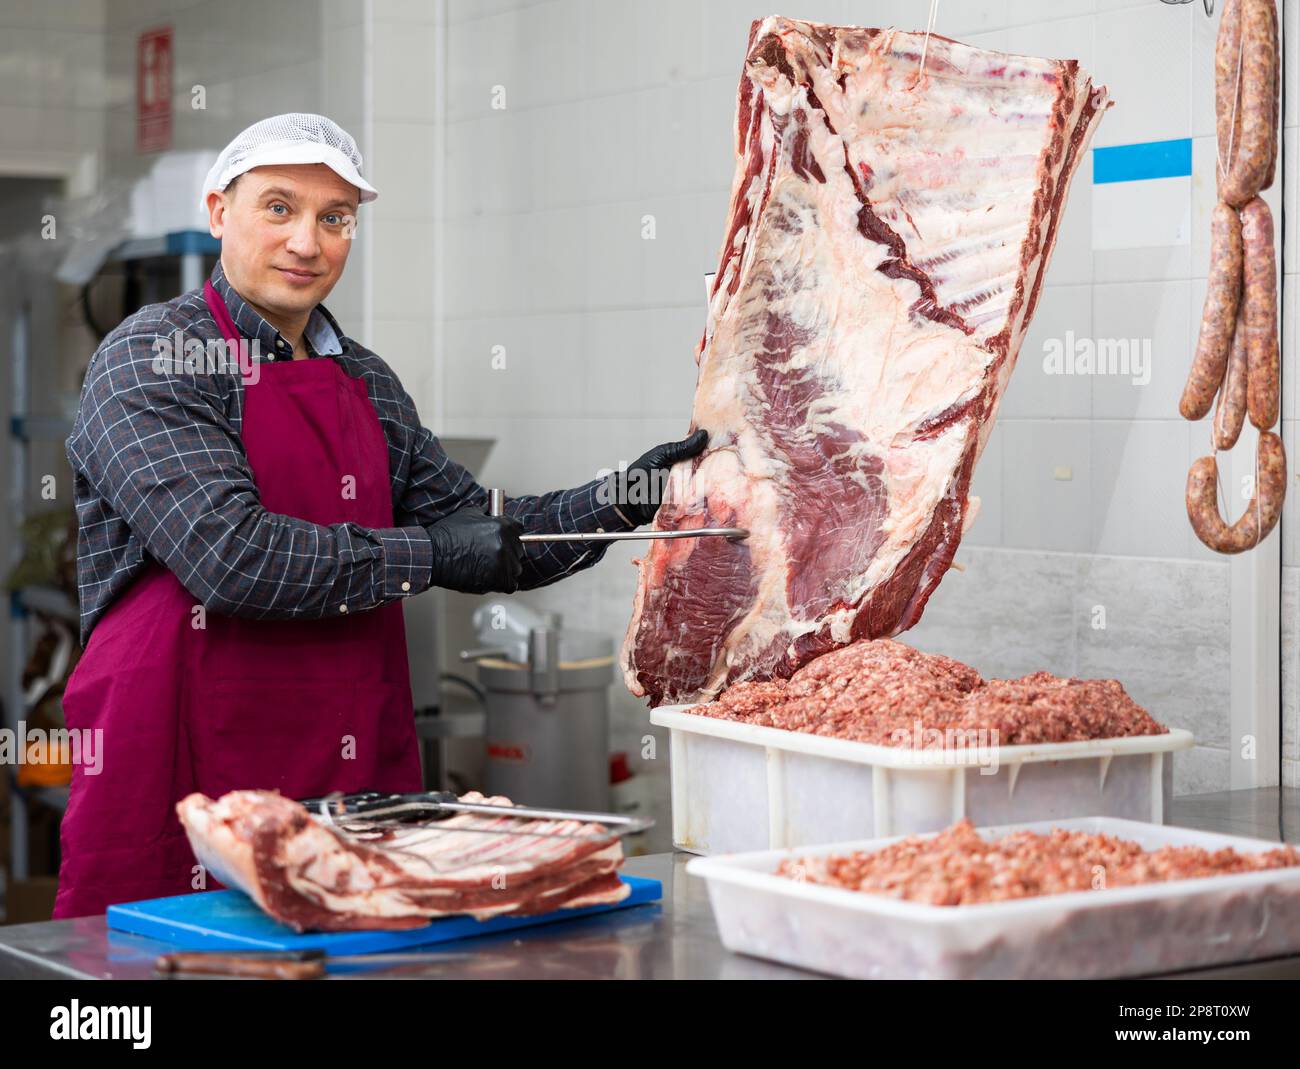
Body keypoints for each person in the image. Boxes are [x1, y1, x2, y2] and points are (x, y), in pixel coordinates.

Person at [52, 113, 706, 917]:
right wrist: (431, 554)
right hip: (179, 762)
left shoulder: (363, 378)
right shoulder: (153, 354)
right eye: (280, 208)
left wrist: (617, 502)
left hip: (341, 752)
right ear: (220, 212)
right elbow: (231, 557)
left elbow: (476, 528)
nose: (307, 241)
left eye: (335, 219)